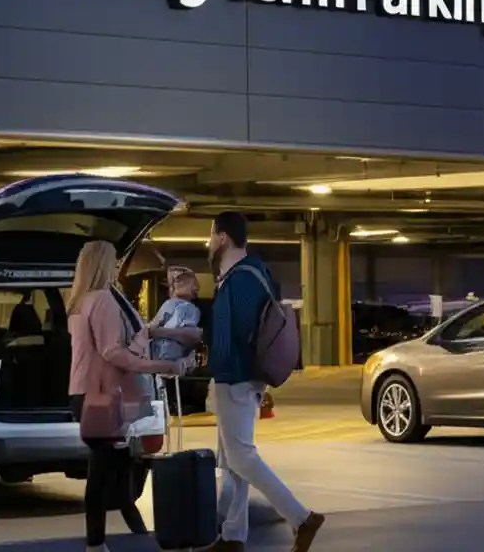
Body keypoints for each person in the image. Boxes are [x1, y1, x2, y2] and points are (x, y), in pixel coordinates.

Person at [201, 211, 323, 552]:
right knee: (232, 459)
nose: (209, 244)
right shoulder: (258, 272)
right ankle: (232, 535)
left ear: (223, 238)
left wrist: (204, 370)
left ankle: (301, 518)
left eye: (211, 237)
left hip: (234, 379)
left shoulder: (236, 282)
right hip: (252, 377)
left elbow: (229, 337)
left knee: (241, 458)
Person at [68, 240, 184, 552]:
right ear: (103, 264)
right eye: (114, 261)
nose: (118, 266)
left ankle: (136, 533)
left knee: (116, 465)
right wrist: (158, 363)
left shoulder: (78, 302)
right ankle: (97, 543)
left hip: (83, 394)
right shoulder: (104, 300)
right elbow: (111, 352)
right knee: (105, 469)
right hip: (104, 396)